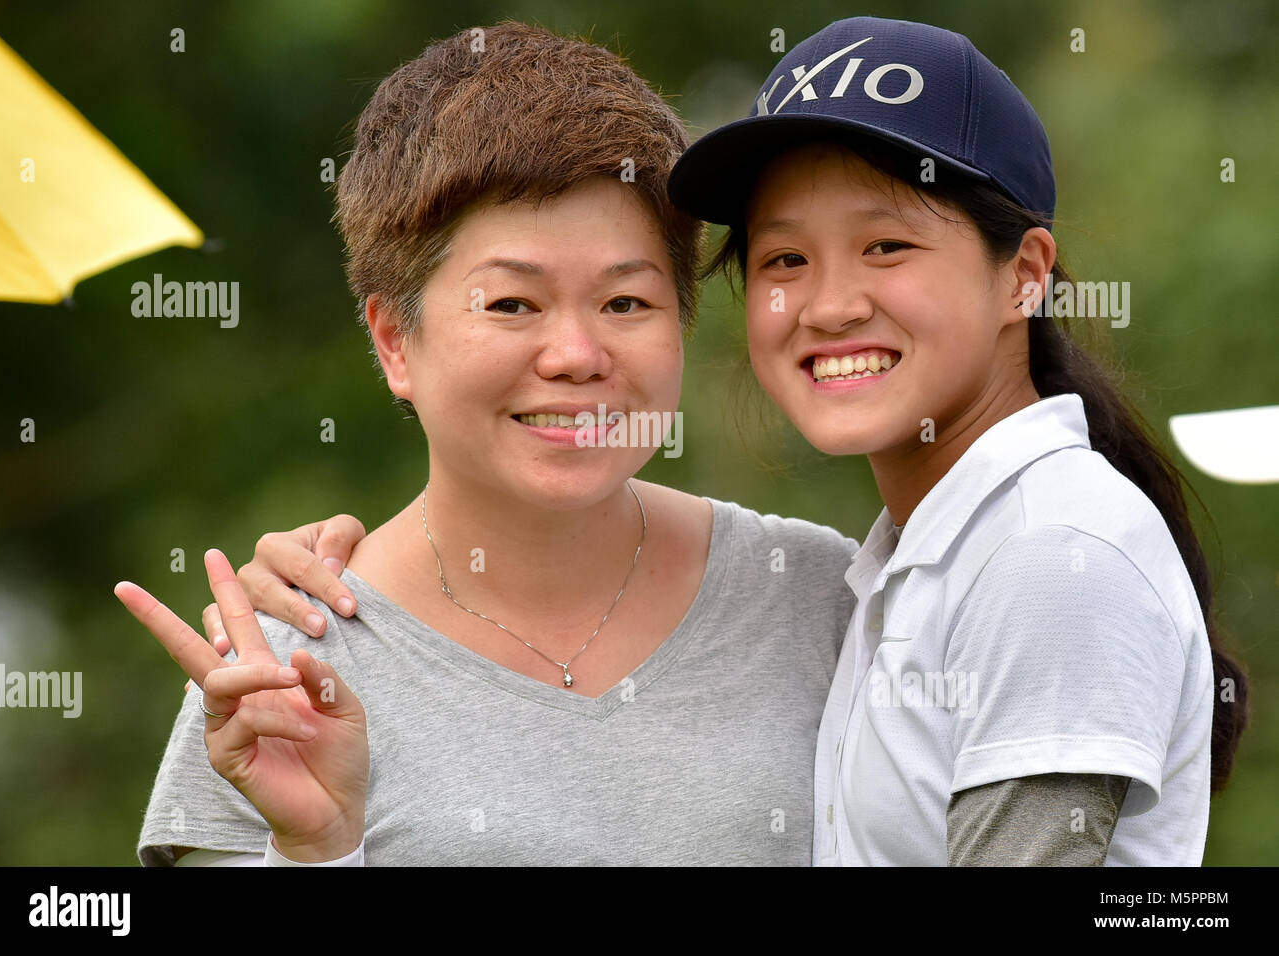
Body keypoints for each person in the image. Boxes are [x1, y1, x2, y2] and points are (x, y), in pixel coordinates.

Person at [240, 17, 1248, 866]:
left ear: (1024, 272)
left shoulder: (1050, 550)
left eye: (886, 243)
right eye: (784, 258)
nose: (830, 303)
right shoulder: (894, 567)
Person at [117, 21, 856, 867]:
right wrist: (317, 850)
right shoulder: (277, 673)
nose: (577, 357)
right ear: (395, 342)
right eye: (511, 305)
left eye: (625, 304)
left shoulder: (820, 601)